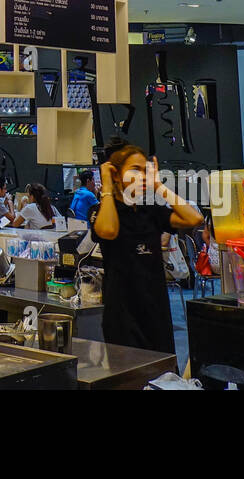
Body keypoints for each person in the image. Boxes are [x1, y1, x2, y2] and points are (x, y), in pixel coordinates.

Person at [91, 144, 203, 355]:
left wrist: (159, 186)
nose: (142, 176)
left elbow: (194, 218)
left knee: (163, 379)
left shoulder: (149, 210)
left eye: (145, 170)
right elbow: (107, 229)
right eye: (135, 170)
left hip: (156, 310)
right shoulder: (103, 211)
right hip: (123, 315)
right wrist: (107, 186)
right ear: (116, 174)